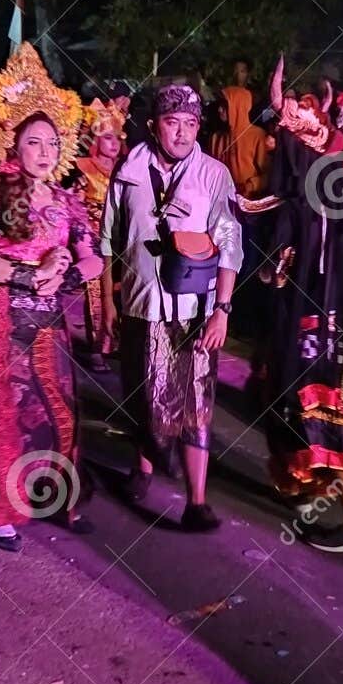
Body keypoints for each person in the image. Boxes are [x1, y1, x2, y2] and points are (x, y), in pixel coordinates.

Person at [0, 44, 102, 551]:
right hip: (0, 319)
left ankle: (56, 498)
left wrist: (67, 276)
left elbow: (95, 259)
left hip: (48, 323)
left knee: (57, 411)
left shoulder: (68, 202)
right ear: (12, 143)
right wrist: (33, 274)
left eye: (52, 143)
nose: (45, 152)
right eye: (34, 142)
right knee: (2, 412)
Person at [250, 91, 343, 553]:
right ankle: (331, 505)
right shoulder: (326, 191)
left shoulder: (324, 196)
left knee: (329, 412)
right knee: (320, 411)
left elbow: (303, 262)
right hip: (327, 316)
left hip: (324, 319)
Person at [101, 82, 243, 531]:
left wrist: (222, 308)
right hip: (141, 304)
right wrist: (107, 301)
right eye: (172, 122)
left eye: (191, 123)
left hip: (196, 309)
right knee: (143, 393)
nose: (182, 133)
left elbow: (230, 244)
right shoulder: (128, 171)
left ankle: (196, 502)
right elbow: (109, 240)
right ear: (153, 125)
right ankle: (143, 469)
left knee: (195, 400)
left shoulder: (214, 174)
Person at [71, 98, 125, 371]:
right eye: (106, 137)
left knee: (119, 292)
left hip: (119, 241)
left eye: (117, 137)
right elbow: (73, 204)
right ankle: (95, 348)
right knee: (95, 293)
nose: (113, 143)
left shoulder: (125, 170)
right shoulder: (85, 169)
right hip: (92, 241)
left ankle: (112, 342)